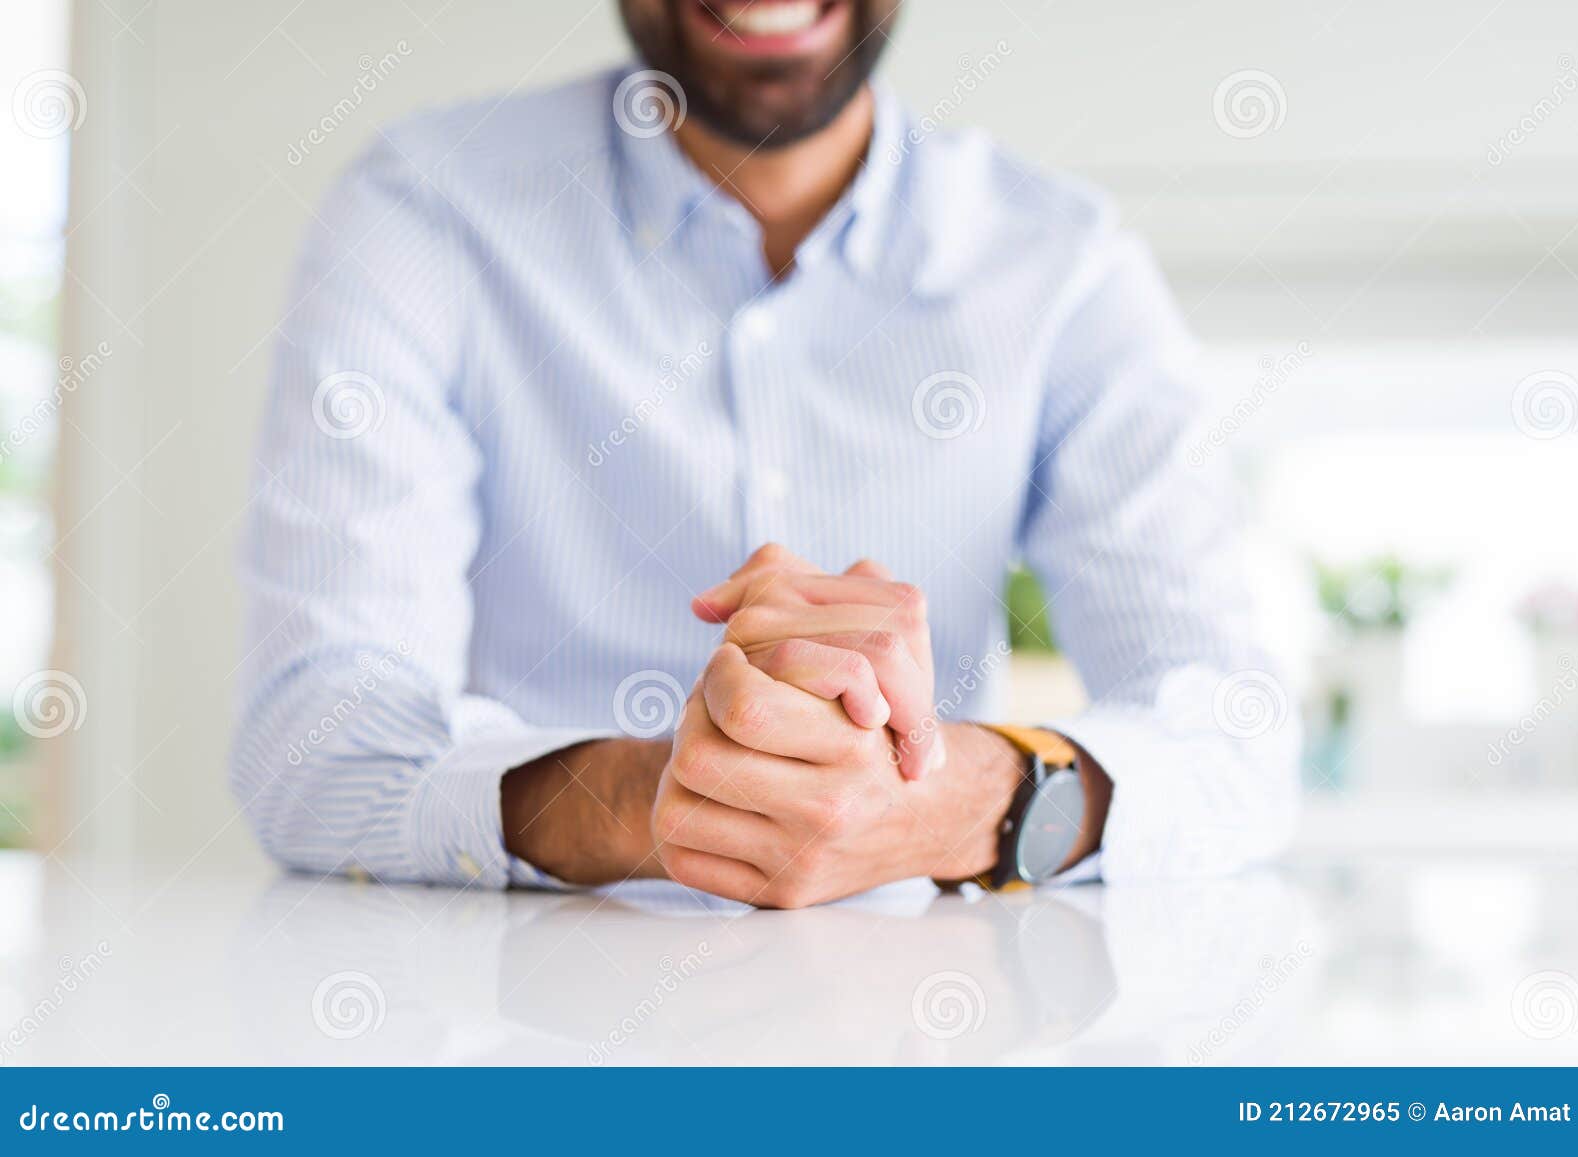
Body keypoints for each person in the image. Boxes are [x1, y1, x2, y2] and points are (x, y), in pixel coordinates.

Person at [232, 0, 1300, 908]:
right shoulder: (427, 211)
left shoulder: (1063, 262)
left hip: (921, 1025)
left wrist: (957, 802)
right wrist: (651, 799)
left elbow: (1237, 735)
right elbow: (309, 739)